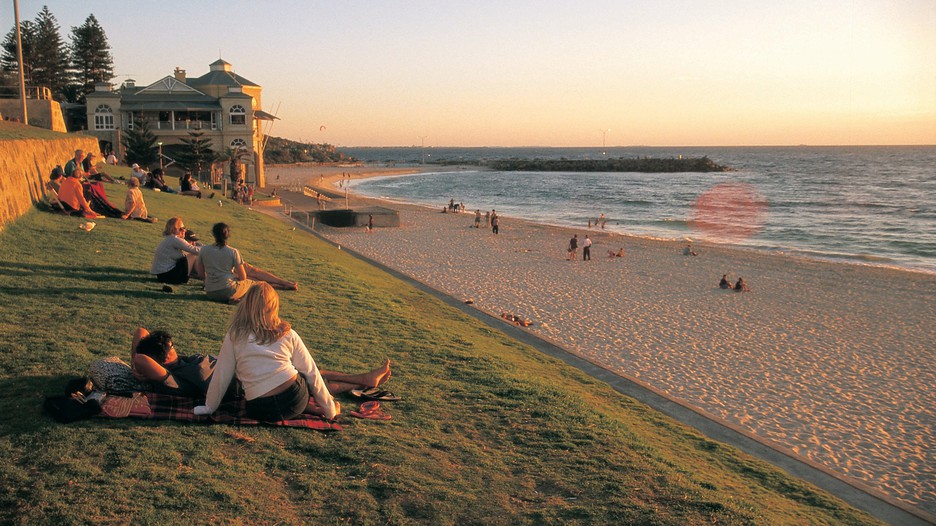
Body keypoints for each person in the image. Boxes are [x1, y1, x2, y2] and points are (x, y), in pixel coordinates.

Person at [194, 283, 394, 421]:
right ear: (274, 307)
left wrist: (209, 407)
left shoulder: (235, 334)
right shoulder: (287, 333)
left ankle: (361, 381)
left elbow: (221, 374)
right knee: (305, 375)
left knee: (295, 374)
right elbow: (312, 373)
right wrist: (329, 410)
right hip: (293, 400)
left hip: (260, 409)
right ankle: (353, 387)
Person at [195, 222, 298, 303]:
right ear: (228, 235)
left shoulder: (204, 250)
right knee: (255, 284)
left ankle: (235, 298)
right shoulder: (233, 252)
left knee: (250, 281)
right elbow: (243, 277)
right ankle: (282, 286)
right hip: (228, 290)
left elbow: (200, 274)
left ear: (213, 234)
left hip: (211, 292)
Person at [130, 327, 218, 397]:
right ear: (166, 358)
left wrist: (137, 369)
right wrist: (138, 369)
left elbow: (141, 331)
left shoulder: (182, 364)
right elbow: (140, 359)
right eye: (171, 346)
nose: (173, 347)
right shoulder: (174, 378)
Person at [151, 217, 201, 285]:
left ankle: (200, 275)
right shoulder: (175, 239)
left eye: (184, 228)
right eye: (182, 228)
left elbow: (183, 255)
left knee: (191, 255)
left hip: (162, 276)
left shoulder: (169, 239)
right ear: (174, 229)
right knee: (193, 255)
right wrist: (210, 248)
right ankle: (203, 277)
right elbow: (194, 250)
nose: (184, 230)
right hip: (169, 276)